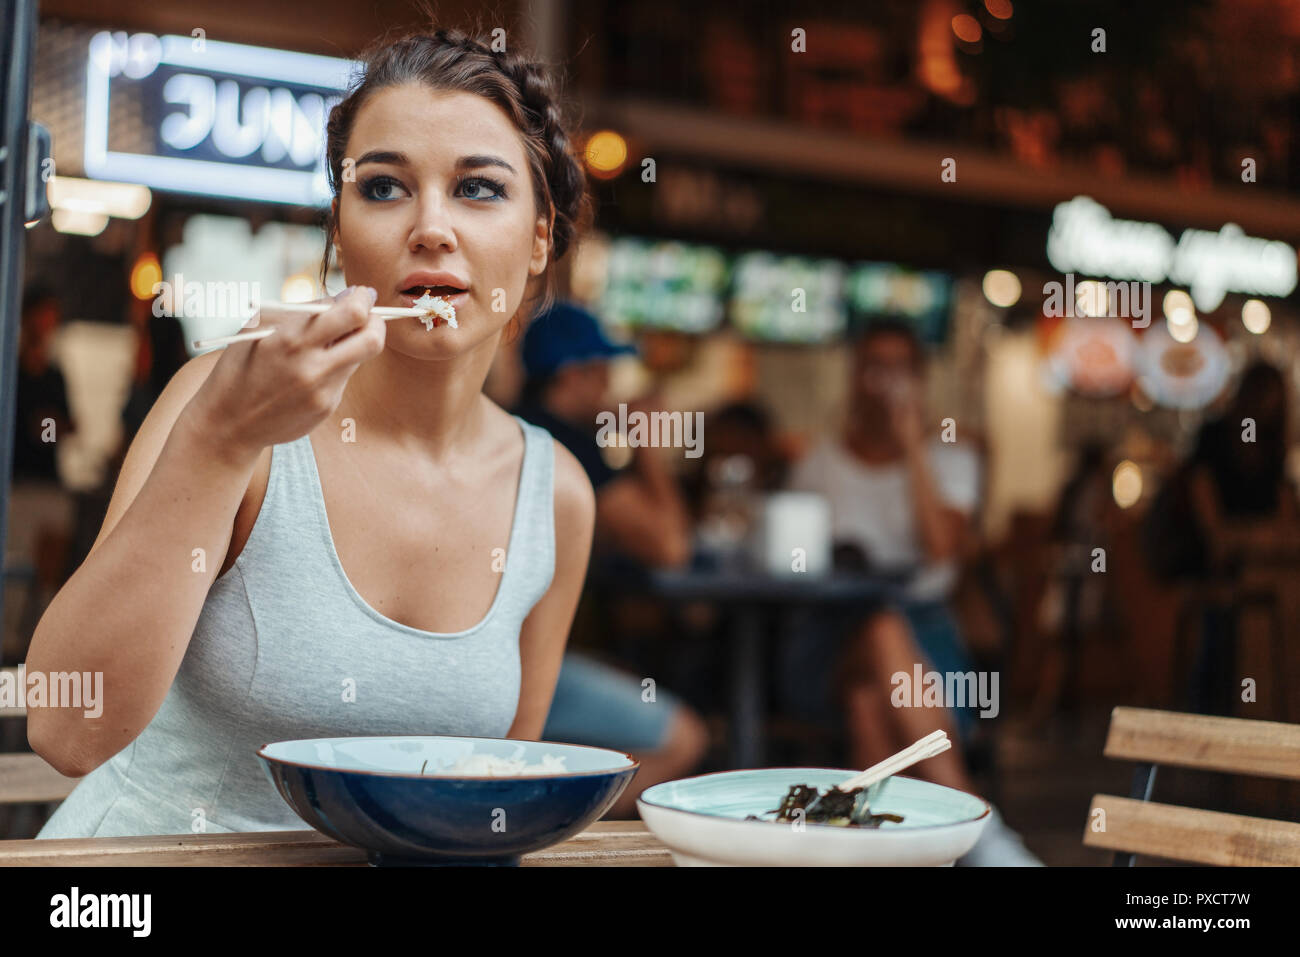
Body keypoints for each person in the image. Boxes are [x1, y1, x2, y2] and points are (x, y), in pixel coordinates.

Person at [28, 26, 599, 837]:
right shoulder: (230, 402)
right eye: (383, 187)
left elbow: (494, 799)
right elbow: (64, 729)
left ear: (540, 237)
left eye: (478, 189)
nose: (431, 225)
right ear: (340, 225)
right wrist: (220, 439)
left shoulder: (557, 497)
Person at [785, 319, 1041, 865]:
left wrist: (912, 448)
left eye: (898, 369)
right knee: (877, 629)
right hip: (829, 636)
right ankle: (972, 815)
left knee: (869, 703)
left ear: (920, 380)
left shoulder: (951, 456)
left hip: (926, 637)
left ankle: (877, 856)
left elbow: (943, 549)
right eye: (873, 367)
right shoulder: (819, 461)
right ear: (855, 377)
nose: (884, 383)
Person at [513, 301, 708, 818]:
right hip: (521, 668)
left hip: (504, 657)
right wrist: (645, 443)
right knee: (685, 737)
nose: (610, 389)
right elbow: (670, 548)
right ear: (572, 375)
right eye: (603, 372)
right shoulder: (568, 443)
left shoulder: (511, 427)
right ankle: (532, 820)